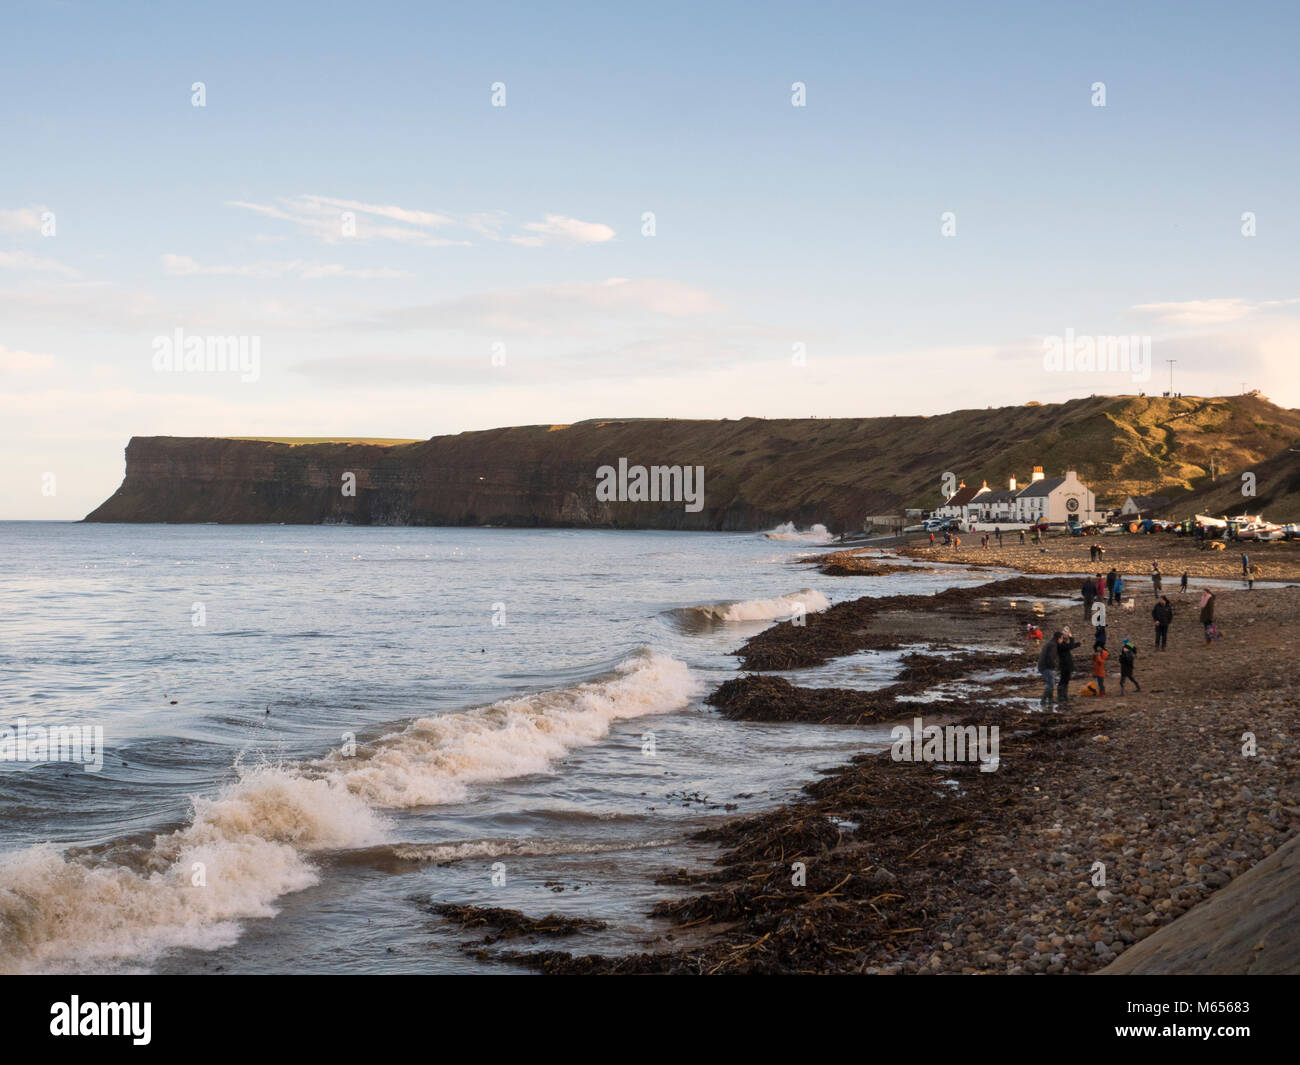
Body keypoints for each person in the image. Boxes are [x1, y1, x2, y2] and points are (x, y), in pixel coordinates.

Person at [1057, 627, 1081, 706]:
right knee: (1063, 681)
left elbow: (1070, 646)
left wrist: (1078, 644)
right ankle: (1061, 697)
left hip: (1067, 665)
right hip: (1064, 665)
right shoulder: (1060, 645)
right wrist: (1071, 637)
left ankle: (1064, 696)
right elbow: (1069, 646)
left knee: (1066, 681)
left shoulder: (1063, 644)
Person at [1038, 631, 1061, 710]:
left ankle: (1050, 701)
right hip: (1046, 667)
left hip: (1043, 666)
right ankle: (1043, 701)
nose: (1062, 641)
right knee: (1050, 684)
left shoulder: (1050, 643)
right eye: (1062, 639)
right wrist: (1054, 666)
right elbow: (1050, 658)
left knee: (1050, 683)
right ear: (1059, 639)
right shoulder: (1053, 645)